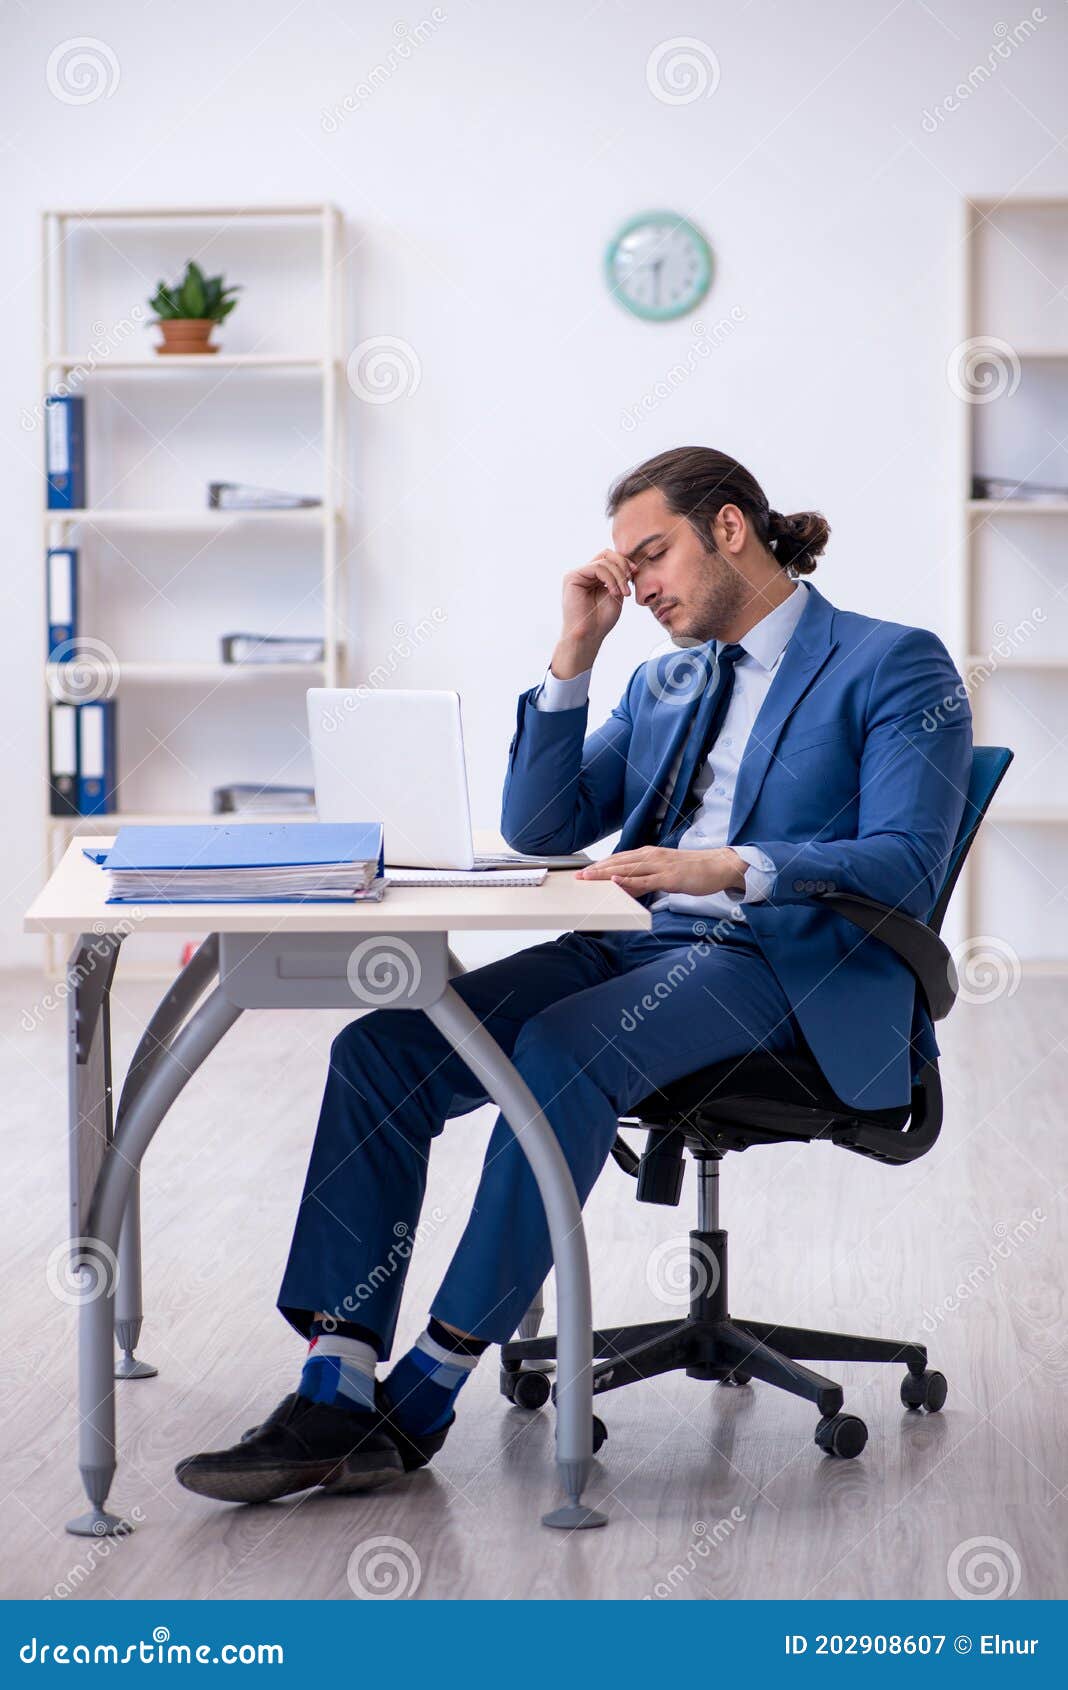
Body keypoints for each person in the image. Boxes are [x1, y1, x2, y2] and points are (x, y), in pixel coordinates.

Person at [176, 445, 972, 1504]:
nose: (638, 585)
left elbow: (909, 859)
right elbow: (542, 825)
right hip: (633, 944)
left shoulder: (890, 663)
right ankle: (335, 1381)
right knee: (383, 1046)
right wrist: (574, 657)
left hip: (781, 964)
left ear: (730, 527)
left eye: (653, 556)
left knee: (563, 1047)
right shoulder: (665, 677)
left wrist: (730, 866)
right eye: (628, 566)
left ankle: (424, 1390)